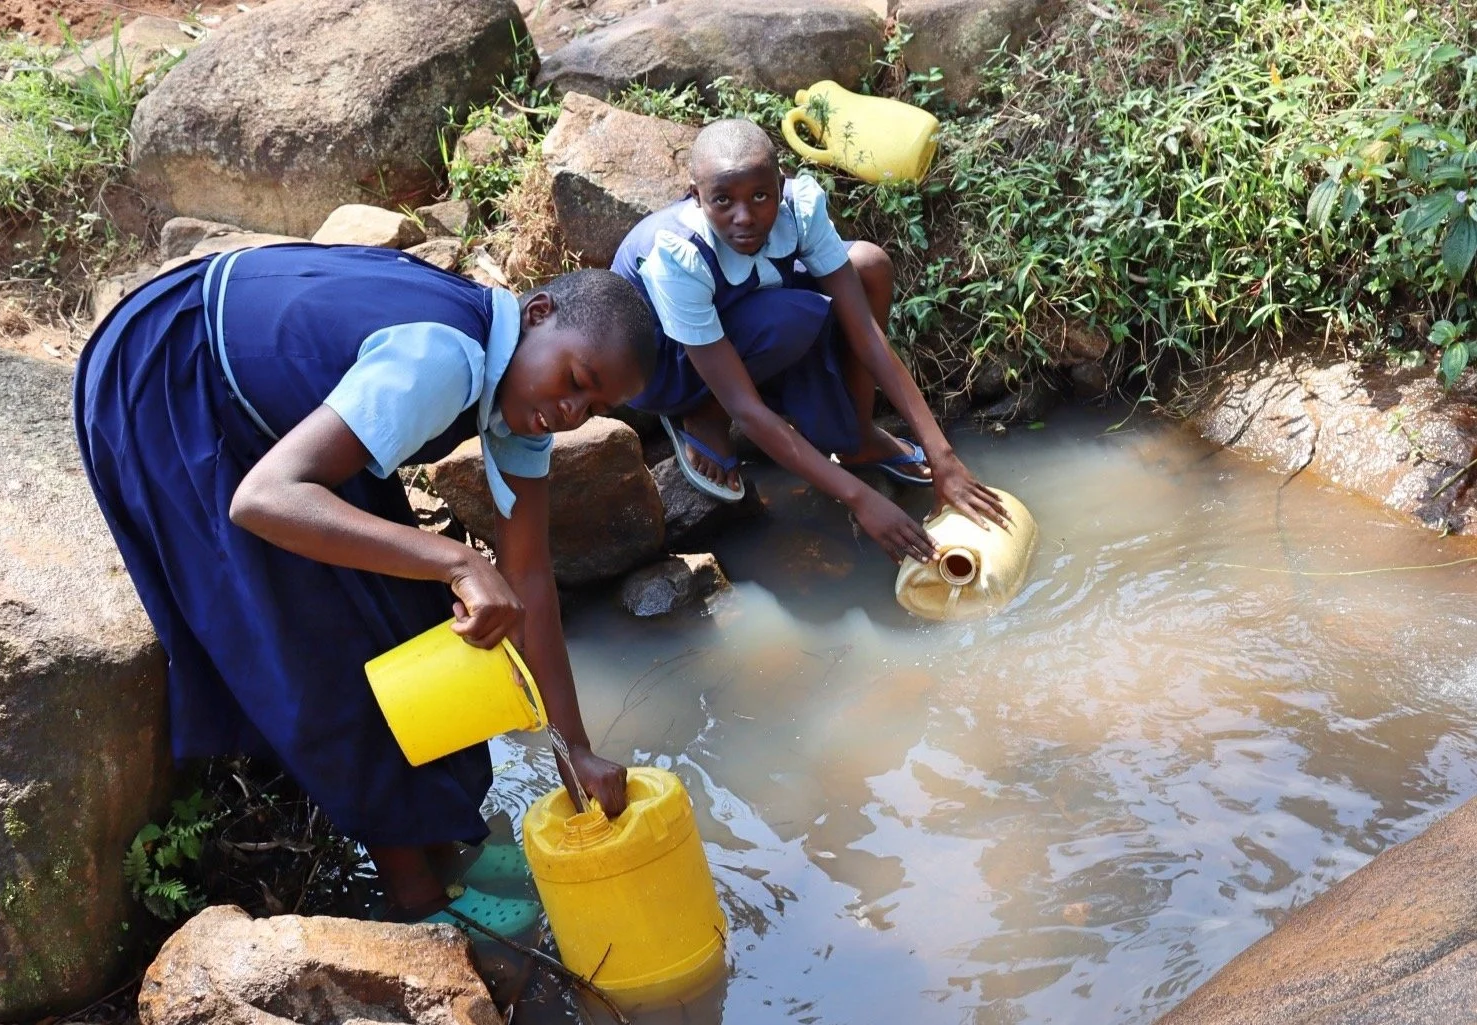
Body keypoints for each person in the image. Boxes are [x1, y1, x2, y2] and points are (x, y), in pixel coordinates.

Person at [73, 242, 656, 932]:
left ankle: (441, 848)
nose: (569, 412)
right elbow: (263, 499)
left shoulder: (518, 391)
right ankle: (418, 900)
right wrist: (456, 561)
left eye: (594, 405)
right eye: (575, 379)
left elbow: (529, 579)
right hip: (175, 379)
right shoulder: (443, 358)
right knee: (329, 653)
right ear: (537, 312)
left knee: (410, 624)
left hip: (280, 419)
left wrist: (573, 749)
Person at [612, 119, 1008, 563]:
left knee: (867, 266)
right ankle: (703, 411)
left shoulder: (799, 207)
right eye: (722, 201)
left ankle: (856, 438)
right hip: (668, 364)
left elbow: (867, 335)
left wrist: (943, 457)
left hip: (742, 314)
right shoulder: (677, 254)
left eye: (760, 197)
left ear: (780, 187)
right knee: (790, 319)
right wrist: (861, 500)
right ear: (695, 195)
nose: (744, 217)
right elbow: (749, 410)